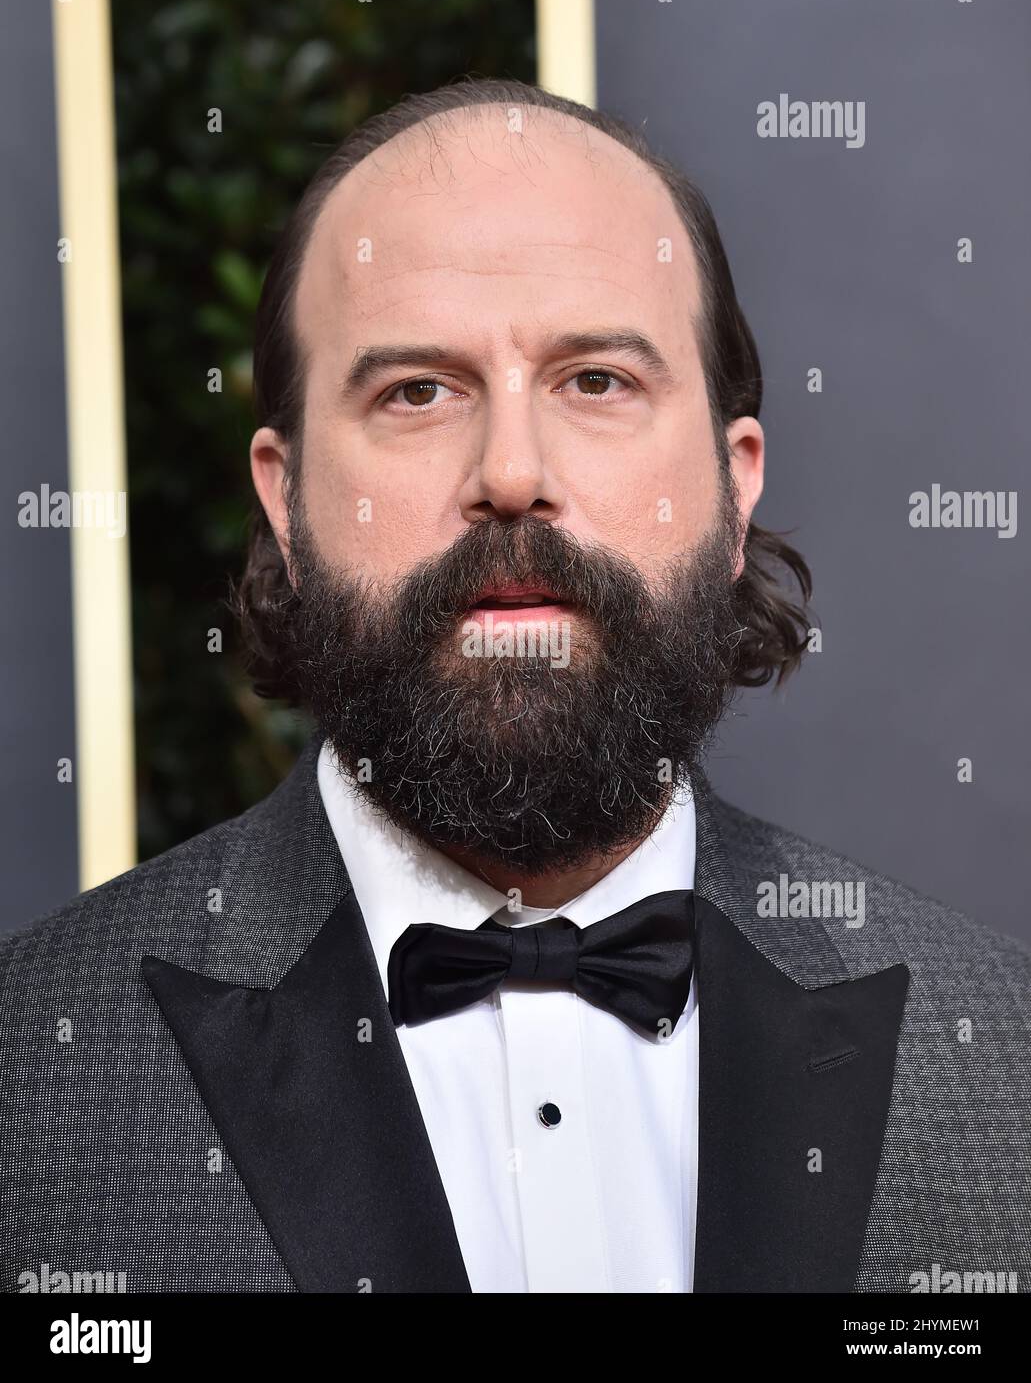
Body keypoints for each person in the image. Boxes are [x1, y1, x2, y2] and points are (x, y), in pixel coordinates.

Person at [2, 78, 1028, 1295]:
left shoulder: (1003, 1048)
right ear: (285, 498)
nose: (509, 472)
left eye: (594, 380)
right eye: (416, 392)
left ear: (732, 479)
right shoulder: (26, 1071)